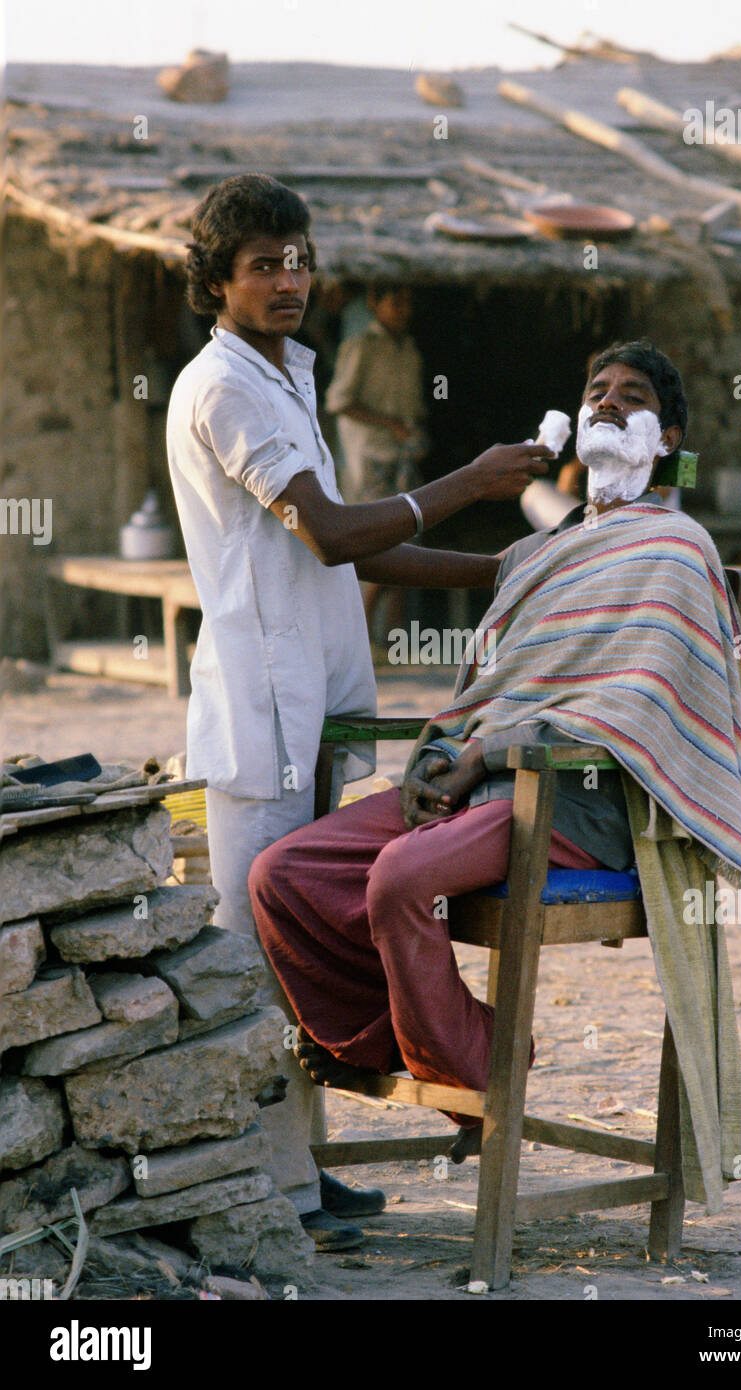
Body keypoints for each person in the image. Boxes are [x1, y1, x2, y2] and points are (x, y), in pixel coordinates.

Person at [248, 340, 741, 1158]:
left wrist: (489, 756)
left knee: (398, 881)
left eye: (632, 396)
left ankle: (482, 1085)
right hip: (478, 779)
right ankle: (432, 1049)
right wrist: (437, 759)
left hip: (576, 797)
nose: (606, 400)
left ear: (667, 438)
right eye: (596, 388)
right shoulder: (542, 552)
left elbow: (632, 709)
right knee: (283, 876)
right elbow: (487, 678)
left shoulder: (677, 550)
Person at [165, 174, 553, 1251]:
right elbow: (333, 535)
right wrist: (468, 481)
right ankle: (261, 1193)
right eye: (263, 264)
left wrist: (500, 571)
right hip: (259, 717)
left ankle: (297, 1180)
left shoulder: (287, 370)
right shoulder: (222, 388)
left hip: (322, 704)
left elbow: (361, 545)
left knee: (294, 949)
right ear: (217, 280)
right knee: (254, 961)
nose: (289, 279)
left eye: (299, 258)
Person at [325, 282, 427, 639]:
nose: (403, 309)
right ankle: (361, 638)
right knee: (376, 548)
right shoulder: (361, 346)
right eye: (395, 300)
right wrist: (391, 424)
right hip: (369, 459)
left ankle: (391, 640)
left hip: (402, 459)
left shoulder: (408, 349)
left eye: (406, 302)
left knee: (405, 545)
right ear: (374, 303)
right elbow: (339, 401)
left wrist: (412, 431)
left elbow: (414, 407)